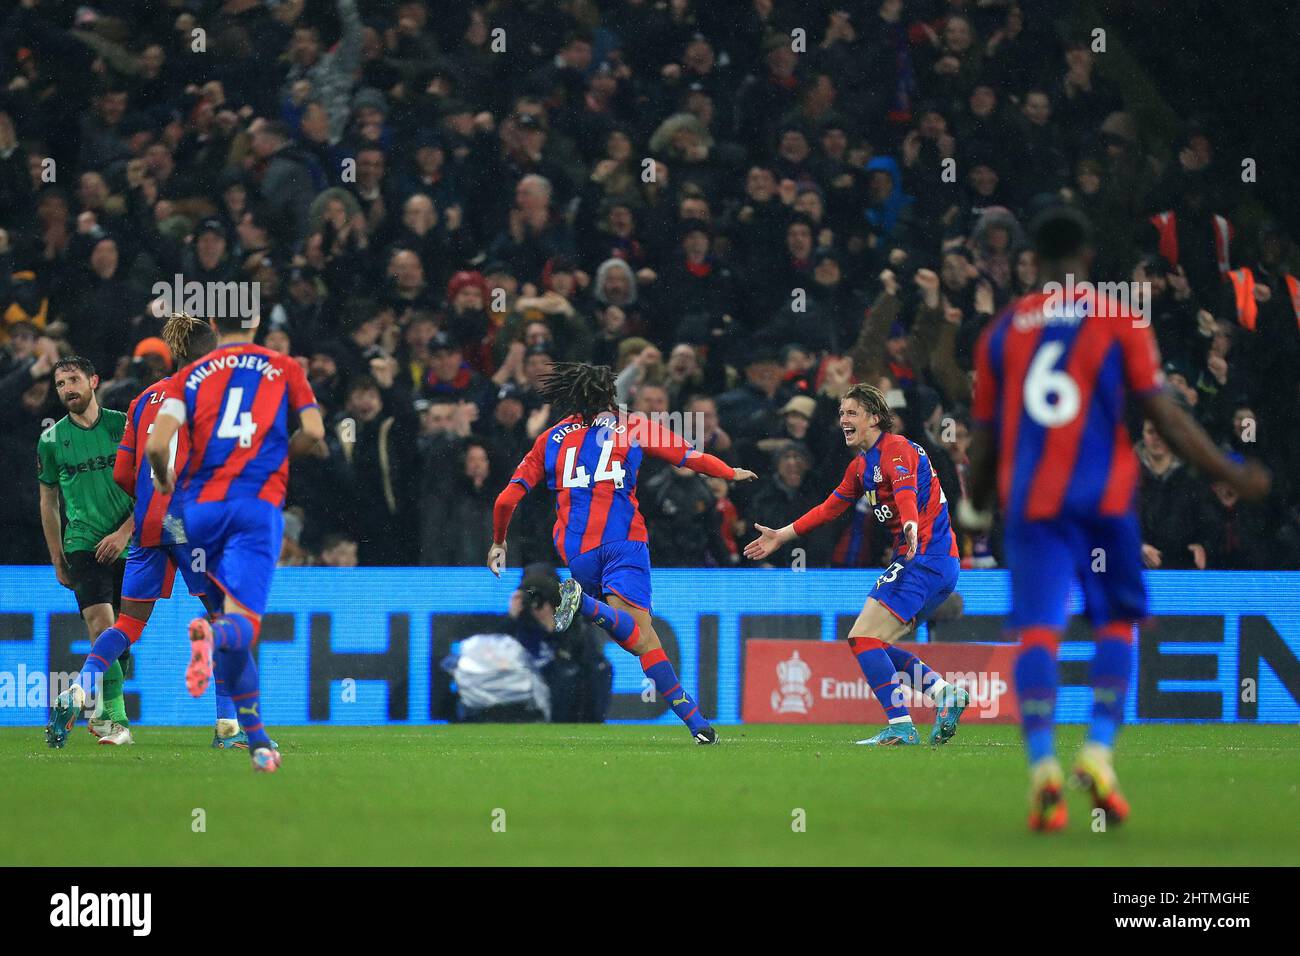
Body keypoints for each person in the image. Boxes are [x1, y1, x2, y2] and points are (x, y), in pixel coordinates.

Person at [963, 207, 1271, 831]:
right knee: (1116, 622)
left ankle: (1043, 767)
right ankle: (1099, 752)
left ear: (1035, 264)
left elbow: (985, 437)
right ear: (1084, 259)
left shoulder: (1002, 331)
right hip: (1104, 499)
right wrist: (1229, 470)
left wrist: (976, 502)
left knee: (1039, 633)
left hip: (1034, 505)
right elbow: (1165, 414)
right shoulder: (1117, 319)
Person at [488, 362, 757, 743]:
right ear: (609, 396)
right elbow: (687, 455)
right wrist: (729, 473)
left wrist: (499, 542)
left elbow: (506, 499)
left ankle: (699, 726)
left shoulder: (549, 439)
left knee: (638, 638)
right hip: (623, 542)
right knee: (639, 633)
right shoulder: (630, 425)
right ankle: (584, 604)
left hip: (576, 551)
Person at [144, 309, 324, 772]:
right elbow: (317, 433)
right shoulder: (284, 366)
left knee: (229, 621)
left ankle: (258, 740)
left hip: (197, 515)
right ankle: (211, 632)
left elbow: (157, 448)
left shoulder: (188, 376)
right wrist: (278, 452)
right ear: (257, 323)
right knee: (239, 625)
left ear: (216, 329)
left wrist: (164, 483)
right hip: (254, 508)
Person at [745, 383, 970, 746]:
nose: (843, 421)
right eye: (841, 414)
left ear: (875, 418)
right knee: (872, 642)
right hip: (931, 562)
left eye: (851, 413)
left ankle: (901, 726)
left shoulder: (896, 450)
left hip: (923, 558)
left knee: (863, 638)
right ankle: (945, 694)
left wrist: (910, 525)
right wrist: (782, 535)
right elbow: (829, 509)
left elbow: (905, 491)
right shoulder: (860, 467)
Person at [112, 314, 269, 750]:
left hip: (151, 523)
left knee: (127, 622)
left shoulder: (145, 398)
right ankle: (229, 728)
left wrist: (151, 498)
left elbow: (123, 472)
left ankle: (86, 693)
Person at [39, 357, 136, 747]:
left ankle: (100, 706)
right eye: (60, 384)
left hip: (131, 545)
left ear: (94, 381)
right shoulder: (51, 440)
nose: (67, 389)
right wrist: (57, 556)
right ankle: (114, 719)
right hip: (83, 542)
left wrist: (125, 532)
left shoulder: (123, 425)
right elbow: (48, 501)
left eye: (74, 380)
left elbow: (150, 486)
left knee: (122, 639)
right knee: (101, 625)